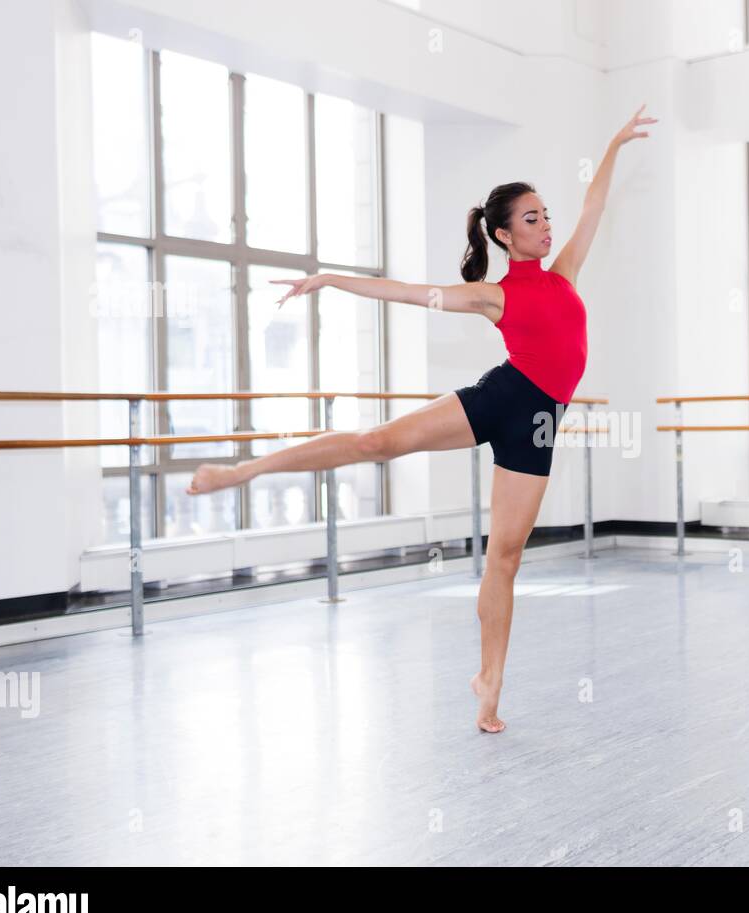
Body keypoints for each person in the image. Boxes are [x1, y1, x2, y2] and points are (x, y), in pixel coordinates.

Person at [186, 106, 657, 733]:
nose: (547, 225)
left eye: (546, 215)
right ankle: (243, 471)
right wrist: (331, 280)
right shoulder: (494, 295)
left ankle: (489, 684)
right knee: (376, 443)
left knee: (506, 556)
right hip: (499, 399)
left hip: (540, 425)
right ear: (504, 236)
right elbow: (409, 293)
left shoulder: (565, 273)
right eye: (532, 219)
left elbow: (595, 204)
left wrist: (615, 142)